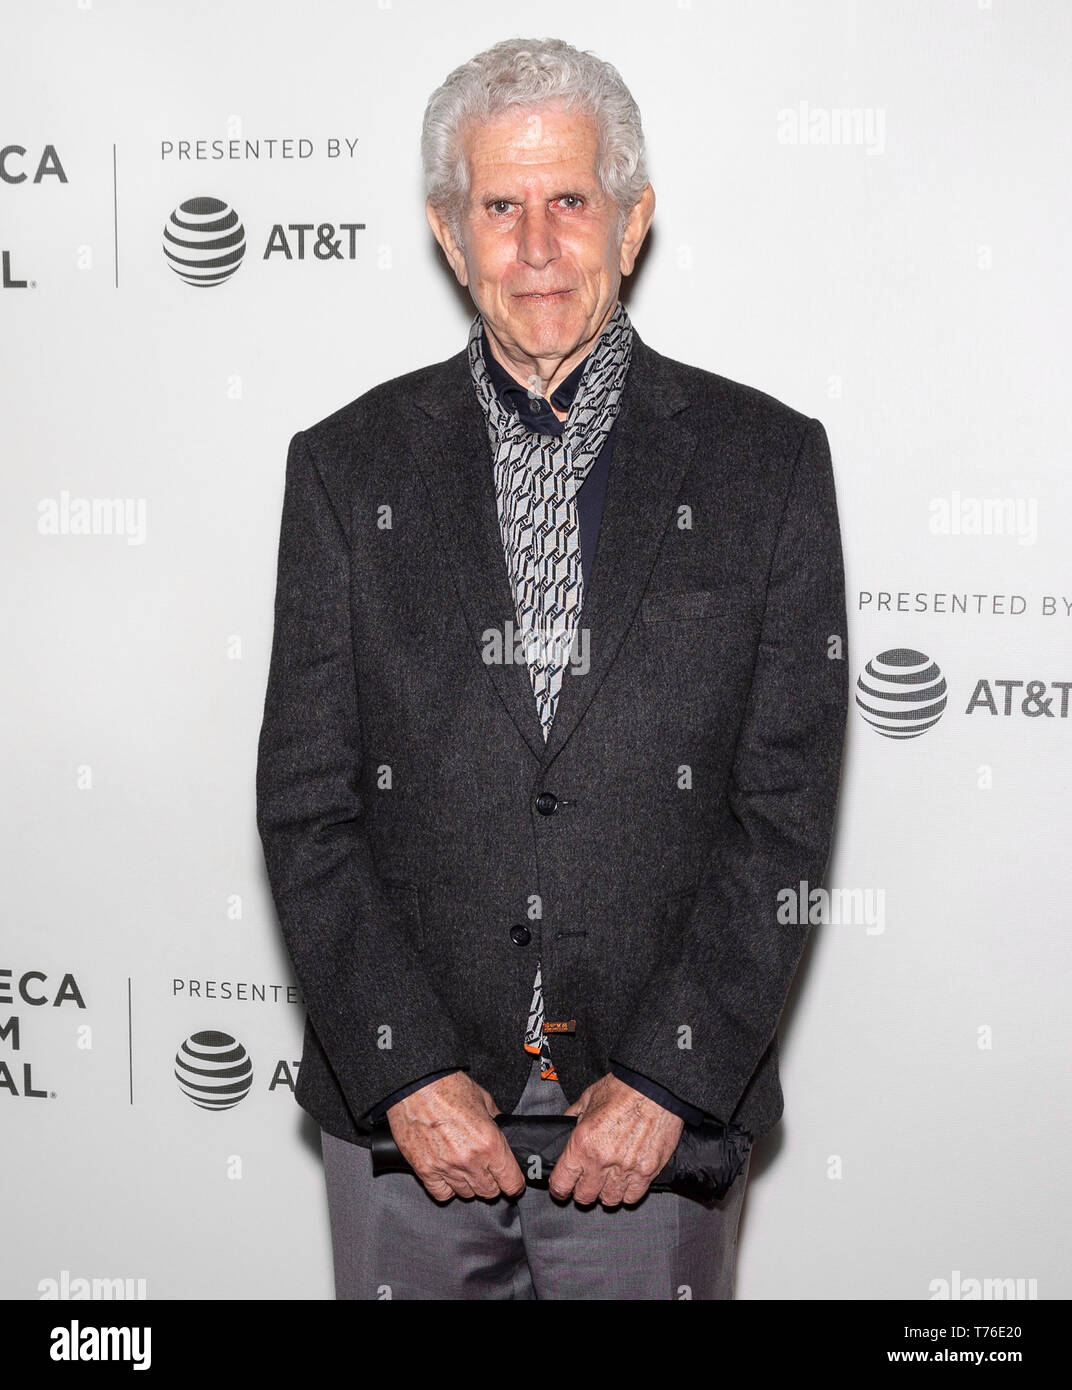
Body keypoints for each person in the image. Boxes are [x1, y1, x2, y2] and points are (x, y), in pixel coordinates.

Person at [256, 36, 848, 1300]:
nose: (535, 246)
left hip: (653, 1134)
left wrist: (667, 1078)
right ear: (447, 231)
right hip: (409, 1131)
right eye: (499, 207)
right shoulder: (344, 468)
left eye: (570, 201)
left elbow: (783, 813)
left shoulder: (767, 465)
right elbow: (307, 806)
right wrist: (406, 1071)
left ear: (632, 222)